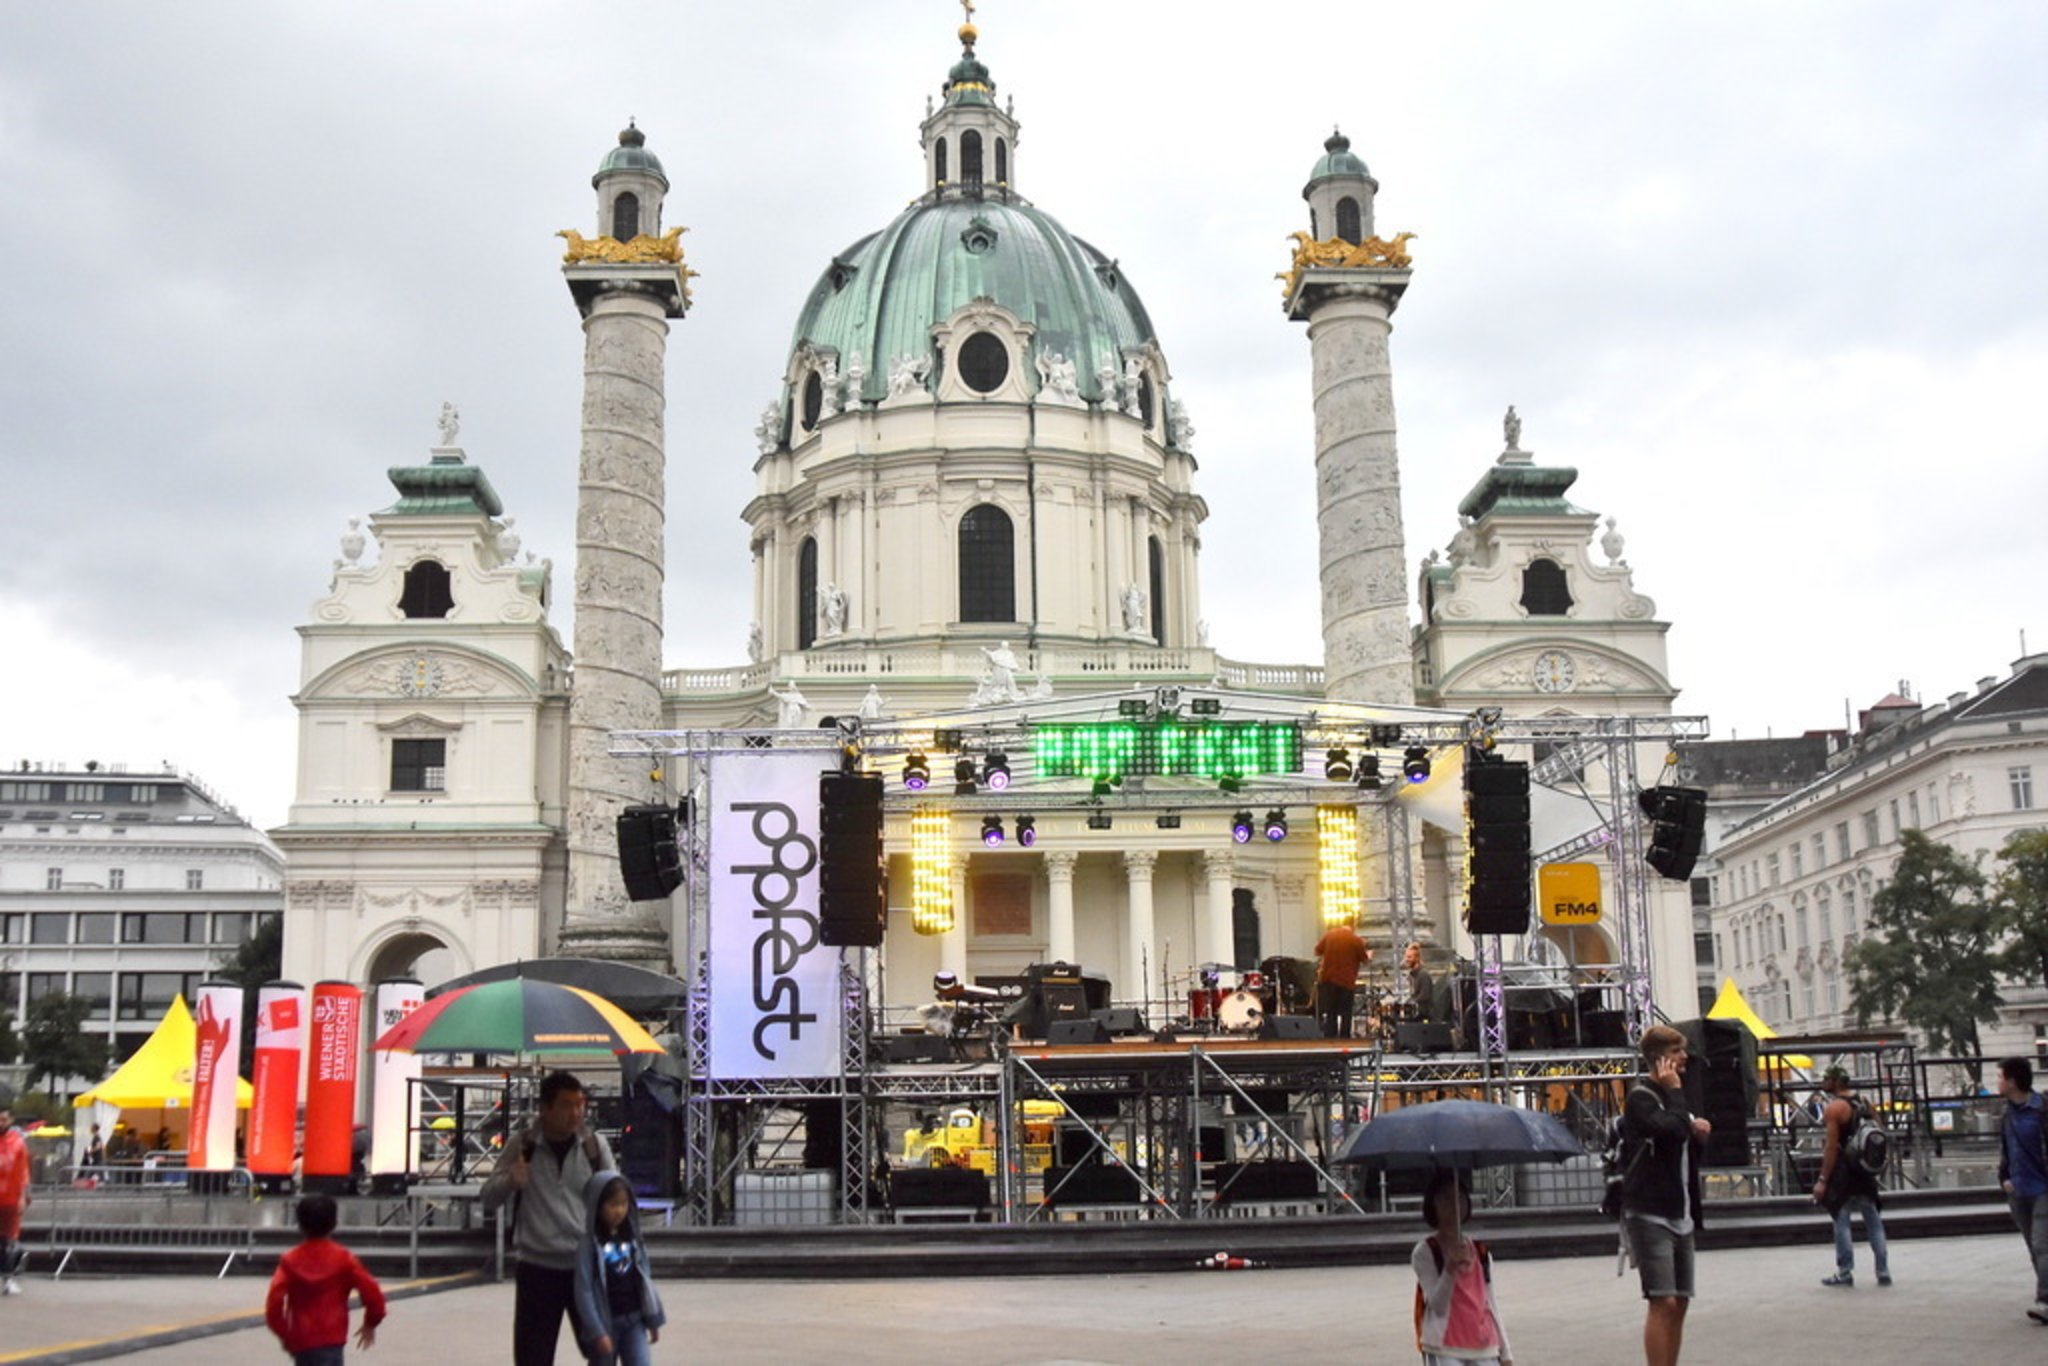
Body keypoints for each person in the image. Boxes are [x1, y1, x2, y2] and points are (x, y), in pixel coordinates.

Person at [483, 1071, 618, 1366]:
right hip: (537, 1268)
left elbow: (617, 1199)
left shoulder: (594, 1147)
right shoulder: (522, 1146)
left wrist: (611, 1208)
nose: (576, 1113)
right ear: (545, 1109)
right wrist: (510, 1180)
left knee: (604, 1351)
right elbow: (489, 1197)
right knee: (533, 1357)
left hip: (585, 1266)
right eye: (567, 1105)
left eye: (580, 1104)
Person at [1620, 1025, 1709, 1366]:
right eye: (1676, 1052)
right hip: (1649, 1211)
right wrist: (1675, 1094)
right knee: (1663, 1301)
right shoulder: (1641, 1098)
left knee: (1681, 1299)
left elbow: (1681, 1153)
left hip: (1681, 1210)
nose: (1684, 1057)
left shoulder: (1674, 1100)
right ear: (1659, 1059)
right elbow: (1668, 1129)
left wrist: (1697, 1135)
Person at [264, 1193, 386, 1363]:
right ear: (334, 1224)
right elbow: (372, 1293)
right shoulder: (343, 1259)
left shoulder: (290, 1260)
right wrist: (371, 1321)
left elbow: (274, 1304)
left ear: (299, 1225)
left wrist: (286, 1335)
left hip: (302, 1338)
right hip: (332, 1337)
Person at [1412, 1169, 1512, 1366]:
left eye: (1459, 1197)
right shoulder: (1426, 1252)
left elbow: (1490, 1303)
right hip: (1445, 1348)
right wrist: (1449, 1269)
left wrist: (1506, 1351)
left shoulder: (1480, 1252)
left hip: (1484, 1345)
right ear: (1433, 1204)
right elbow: (1438, 1306)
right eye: (1445, 1198)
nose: (1454, 1205)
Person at [573, 1170, 666, 1366]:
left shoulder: (633, 1238)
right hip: (606, 1324)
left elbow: (644, 1279)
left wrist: (653, 1319)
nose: (619, 1211)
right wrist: (596, 1331)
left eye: (623, 1204)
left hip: (634, 1320)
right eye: (613, 1205)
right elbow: (584, 1290)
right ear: (598, 1206)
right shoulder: (589, 1244)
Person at [1811, 1065, 1891, 1288]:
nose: (1823, 1082)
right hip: (1865, 1171)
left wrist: (1822, 1180)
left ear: (1835, 1082)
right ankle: (1883, 1270)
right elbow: (1880, 1133)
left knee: (1842, 1220)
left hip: (1843, 1173)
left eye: (1826, 1078)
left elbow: (1831, 1147)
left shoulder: (1834, 1109)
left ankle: (1845, 1272)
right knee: (1873, 1220)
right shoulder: (1864, 1102)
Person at [1995, 1055, 2048, 1324]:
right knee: (2033, 1246)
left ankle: (2045, 1300)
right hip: (2018, 1189)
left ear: (2013, 1081)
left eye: (2000, 1076)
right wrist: (2004, 1177)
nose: (1997, 1081)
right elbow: (2007, 1148)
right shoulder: (2007, 1112)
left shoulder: (2042, 1109)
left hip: (2043, 1188)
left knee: (2042, 1244)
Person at [1312, 920, 1371, 1038]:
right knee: (1346, 1013)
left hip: (1328, 980)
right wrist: (1369, 955)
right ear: (1353, 925)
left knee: (1330, 1013)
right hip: (1346, 981)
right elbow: (1365, 959)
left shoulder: (1329, 935)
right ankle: (1344, 1041)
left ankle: (1330, 1040)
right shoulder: (1356, 940)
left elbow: (1317, 951)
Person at [0, 1102, 29, 1295]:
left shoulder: (18, 1143)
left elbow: (24, 1172)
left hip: (10, 1199)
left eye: (4, 1119)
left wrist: (23, 1197)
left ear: (11, 1120)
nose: (1, 1123)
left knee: (9, 1241)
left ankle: (7, 1278)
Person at [1404, 942, 1436, 1021]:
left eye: (1409, 957)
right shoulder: (1412, 976)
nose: (1406, 960)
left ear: (1417, 958)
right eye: (1406, 957)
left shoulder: (1423, 975)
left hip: (1423, 1016)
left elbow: (1425, 997)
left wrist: (1410, 1003)